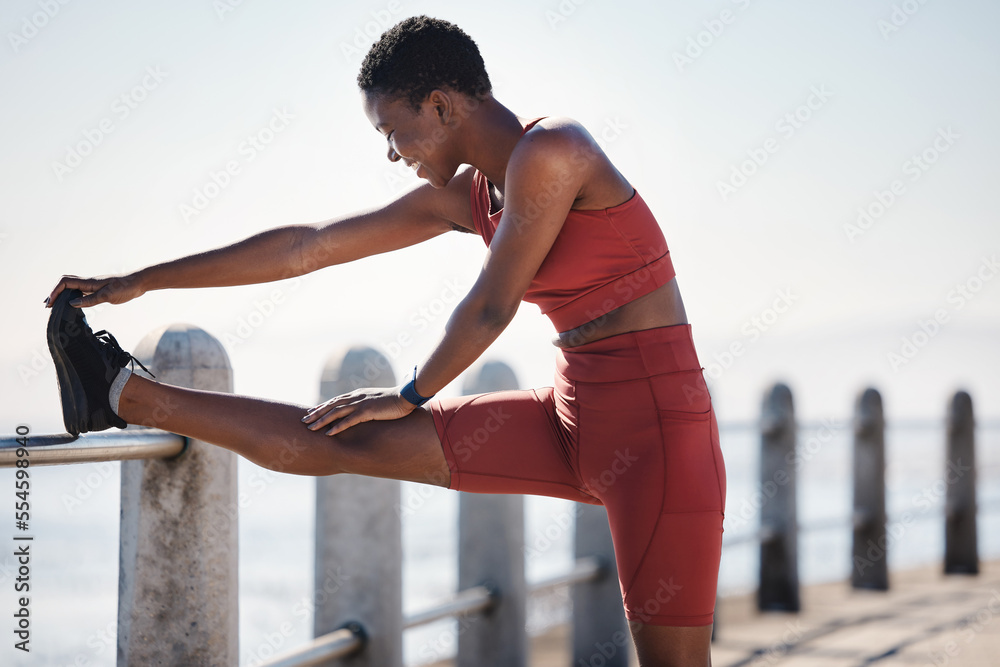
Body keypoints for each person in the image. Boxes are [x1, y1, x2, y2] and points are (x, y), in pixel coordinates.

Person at [45, 15, 726, 666]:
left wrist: (409, 394)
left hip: (655, 437)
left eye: (392, 132)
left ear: (438, 106)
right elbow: (307, 247)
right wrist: (140, 280)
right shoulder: (470, 196)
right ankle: (123, 393)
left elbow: (491, 307)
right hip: (572, 414)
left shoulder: (555, 149)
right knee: (339, 437)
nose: (393, 153)